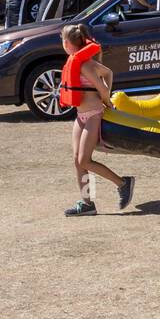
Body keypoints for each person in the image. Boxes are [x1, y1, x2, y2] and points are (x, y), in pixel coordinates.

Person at [60, 23, 135, 216]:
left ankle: (123, 183)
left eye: (62, 40)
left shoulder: (84, 65)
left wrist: (107, 103)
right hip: (80, 116)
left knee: (84, 160)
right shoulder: (77, 61)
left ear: (68, 43)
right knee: (78, 161)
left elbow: (103, 85)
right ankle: (87, 204)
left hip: (93, 115)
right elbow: (108, 72)